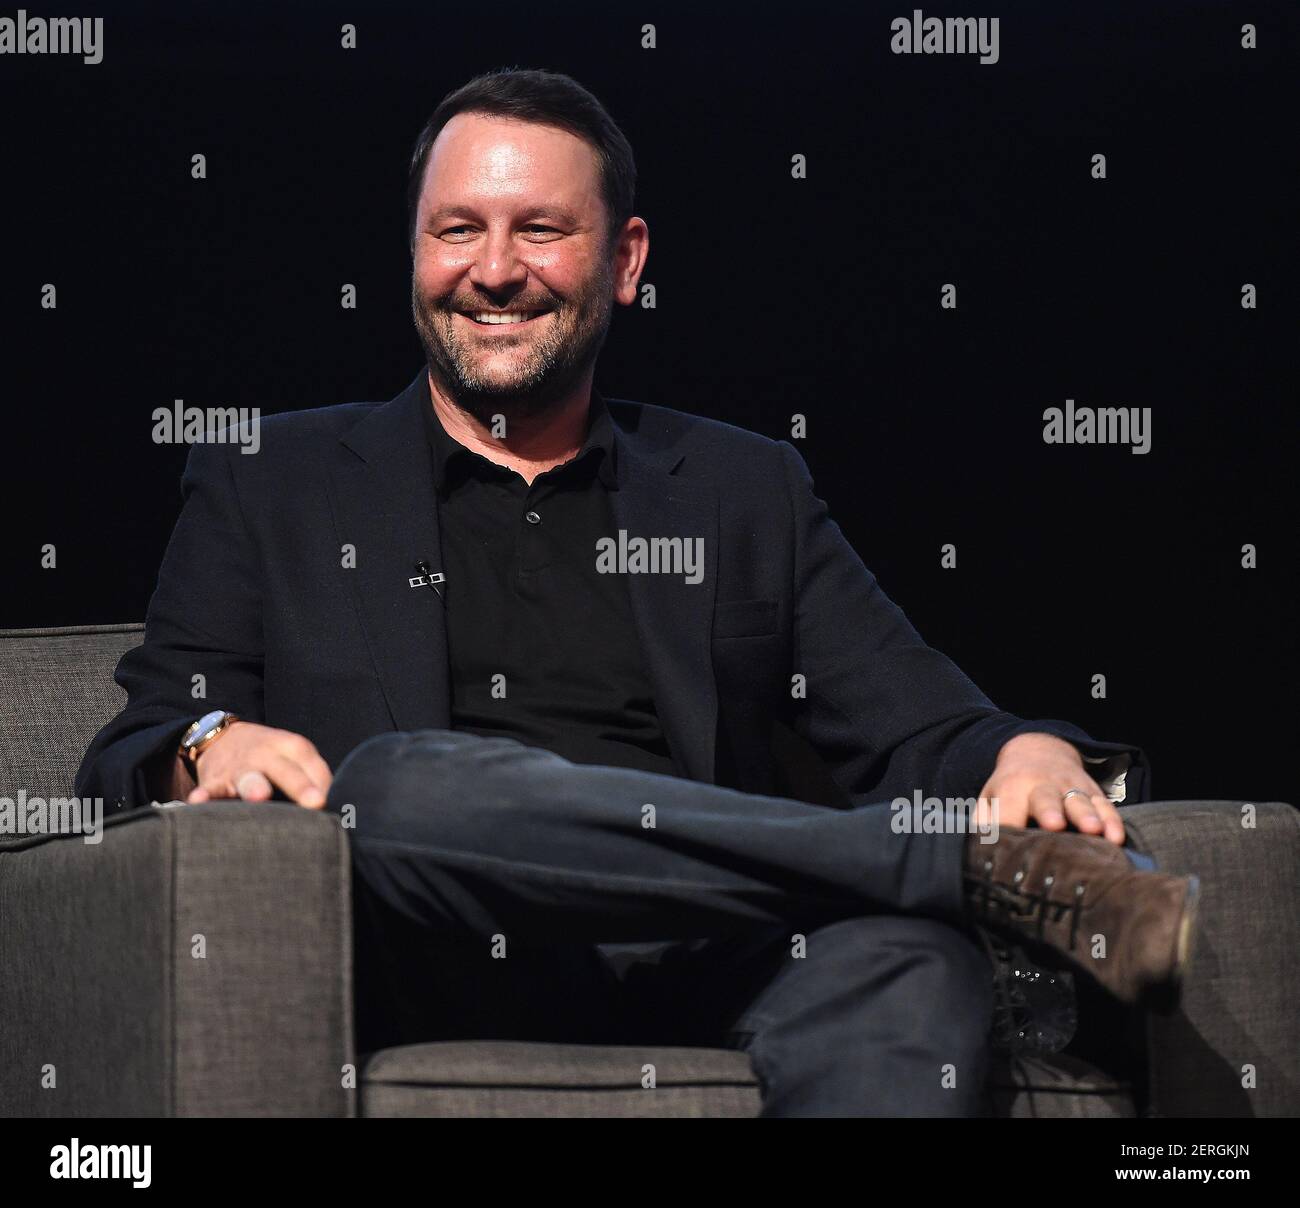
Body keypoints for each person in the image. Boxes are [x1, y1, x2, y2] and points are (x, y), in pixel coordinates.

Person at [76, 67, 1197, 1117]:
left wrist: (1030, 754)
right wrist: (205, 740)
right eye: (457, 228)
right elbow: (136, 741)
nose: (494, 268)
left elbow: (924, 721)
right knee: (401, 785)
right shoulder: (272, 479)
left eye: (541, 229)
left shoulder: (740, 485)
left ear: (625, 258)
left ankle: (953, 878)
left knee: (910, 965)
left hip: (712, 947)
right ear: (413, 250)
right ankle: (957, 867)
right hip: (424, 947)